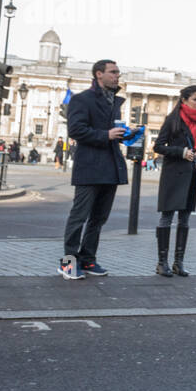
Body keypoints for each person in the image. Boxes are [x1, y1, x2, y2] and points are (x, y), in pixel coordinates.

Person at [60, 60, 128, 279]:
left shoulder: (114, 102)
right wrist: (106, 135)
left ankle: (88, 260)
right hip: (89, 166)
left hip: (110, 167)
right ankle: (68, 264)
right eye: (113, 72)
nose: (118, 76)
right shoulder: (82, 99)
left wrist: (126, 134)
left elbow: (110, 130)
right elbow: (76, 130)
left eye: (118, 72)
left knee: (98, 219)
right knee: (79, 217)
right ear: (99, 74)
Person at [152, 84, 196, 277]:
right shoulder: (173, 120)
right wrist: (181, 152)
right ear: (184, 100)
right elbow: (159, 146)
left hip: (192, 174)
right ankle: (162, 263)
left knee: (184, 219)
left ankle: (179, 262)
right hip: (173, 174)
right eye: (195, 99)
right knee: (167, 217)